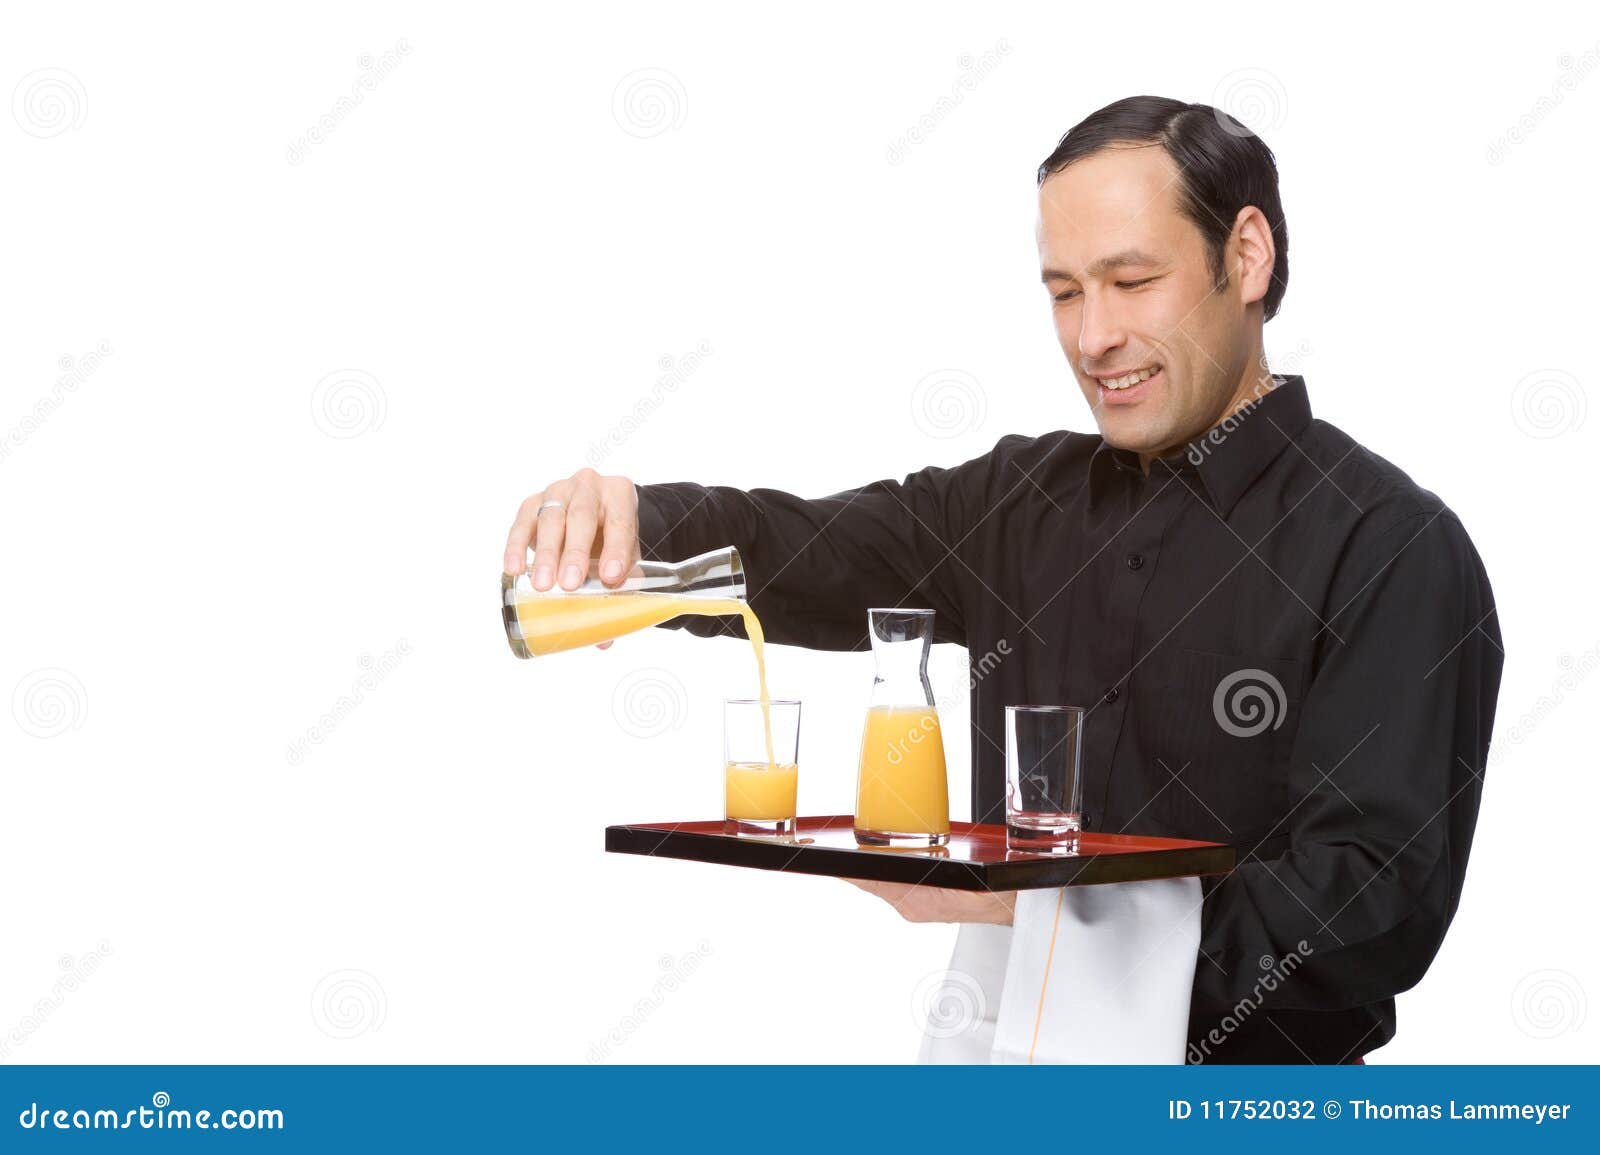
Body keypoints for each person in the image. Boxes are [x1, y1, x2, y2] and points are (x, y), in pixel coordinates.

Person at [502, 95, 1502, 1064]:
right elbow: (808, 547)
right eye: (1063, 291)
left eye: (1130, 281)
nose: (1090, 337)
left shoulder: (1391, 547)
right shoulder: (1016, 499)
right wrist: (640, 520)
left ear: (1244, 256)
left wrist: (1058, 914)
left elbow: (1375, 902)